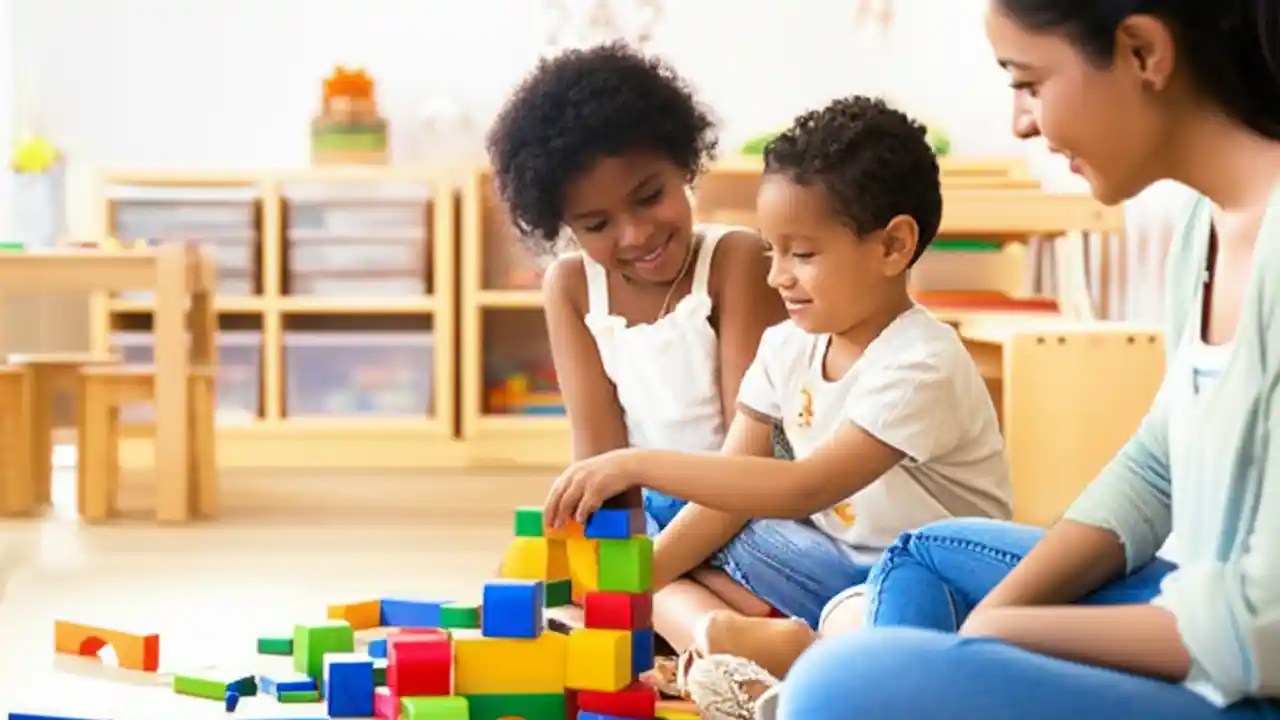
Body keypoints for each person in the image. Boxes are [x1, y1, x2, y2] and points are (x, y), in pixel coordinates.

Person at [775, 1, 1280, 718]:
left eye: (1028, 82)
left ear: (1142, 52)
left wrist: (1004, 632)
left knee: (838, 683)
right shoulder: (1206, 226)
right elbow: (1154, 467)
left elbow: (1263, 629)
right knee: (926, 555)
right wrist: (986, 634)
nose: (1020, 122)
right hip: (1204, 617)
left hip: (1251, 673)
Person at [541, 94, 1014, 717]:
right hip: (823, 561)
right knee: (649, 526)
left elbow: (801, 488)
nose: (777, 277)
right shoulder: (788, 345)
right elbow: (732, 489)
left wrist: (635, 462)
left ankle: (778, 645)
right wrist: (631, 585)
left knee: (869, 632)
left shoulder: (920, 363)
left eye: (804, 254)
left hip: (924, 583)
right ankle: (721, 640)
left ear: (893, 246)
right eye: (773, 251)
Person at [484, 41, 789, 669]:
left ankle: (715, 623)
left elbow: (748, 466)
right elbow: (599, 465)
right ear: (566, 225)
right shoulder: (570, 287)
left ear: (683, 163)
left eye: (649, 196)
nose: (636, 235)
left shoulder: (736, 260)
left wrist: (636, 580)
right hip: (650, 512)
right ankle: (716, 628)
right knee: (553, 581)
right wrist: (614, 560)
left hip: (752, 502)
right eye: (596, 225)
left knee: (622, 591)